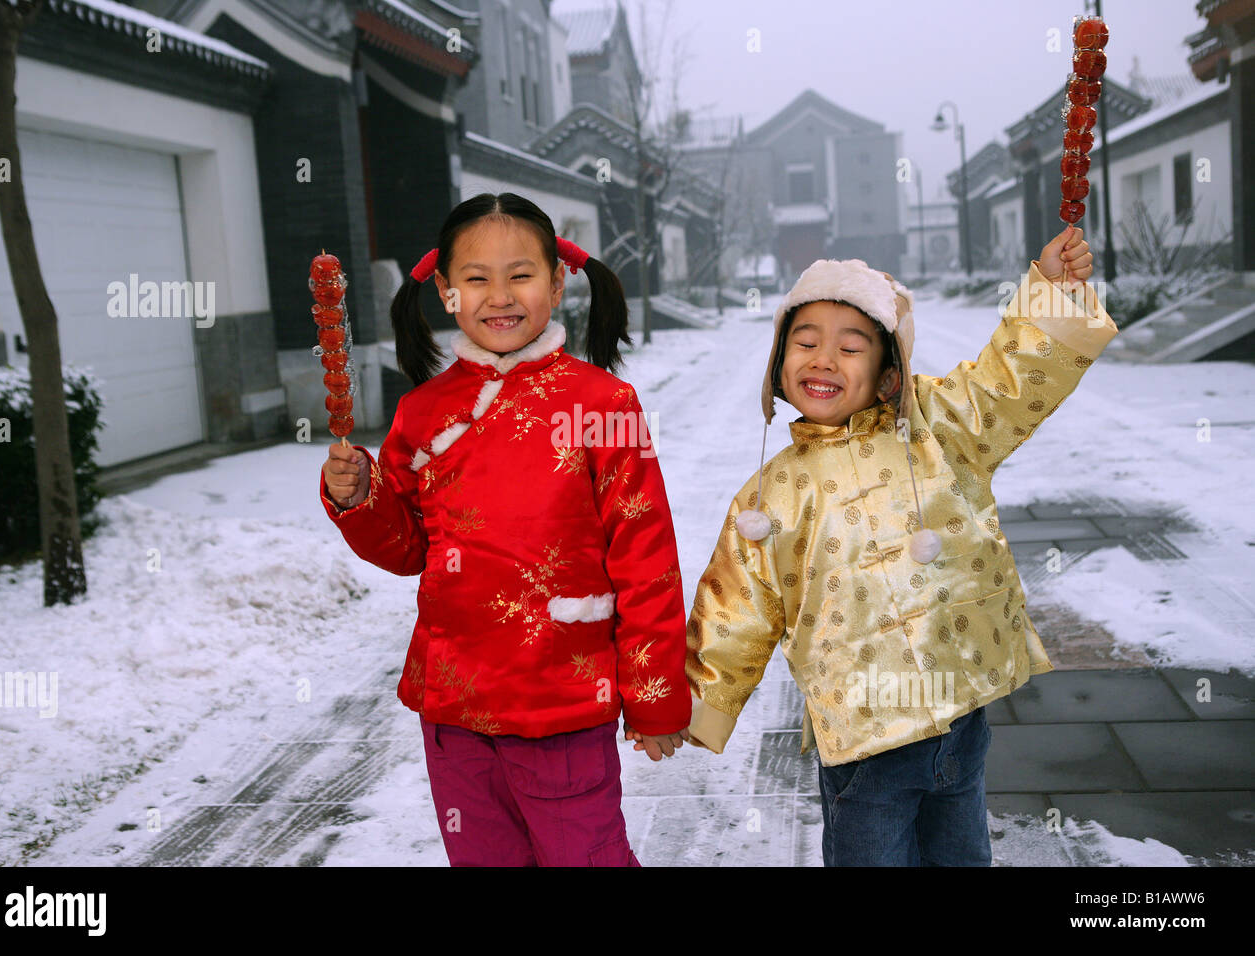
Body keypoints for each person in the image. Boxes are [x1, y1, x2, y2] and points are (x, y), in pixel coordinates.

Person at [684, 225, 1118, 865]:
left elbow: (1010, 382)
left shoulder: (938, 428)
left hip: (960, 717)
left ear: (889, 372)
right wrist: (694, 707)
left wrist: (1051, 290)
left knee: (962, 856)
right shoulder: (769, 496)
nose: (823, 359)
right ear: (779, 365)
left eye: (849, 347)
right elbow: (735, 610)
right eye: (804, 343)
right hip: (866, 744)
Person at [320, 192, 690, 866]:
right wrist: (359, 500)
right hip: (455, 710)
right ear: (444, 290)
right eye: (476, 277)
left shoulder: (602, 404)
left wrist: (655, 696)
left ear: (557, 279)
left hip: (562, 701)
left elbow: (647, 558)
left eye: (520, 274)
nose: (500, 295)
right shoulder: (423, 412)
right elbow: (408, 548)